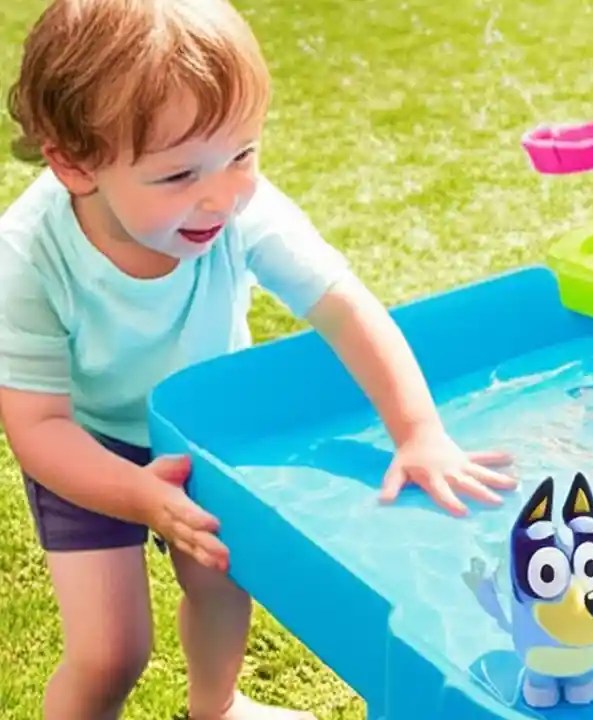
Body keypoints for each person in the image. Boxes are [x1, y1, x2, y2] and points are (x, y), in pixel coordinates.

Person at [0, 1, 520, 718]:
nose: (221, 196)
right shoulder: (26, 258)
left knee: (221, 582)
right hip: (88, 447)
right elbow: (38, 426)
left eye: (242, 155)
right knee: (111, 652)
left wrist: (419, 432)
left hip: (199, 431)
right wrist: (138, 495)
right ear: (74, 163)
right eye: (178, 176)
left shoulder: (246, 211)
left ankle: (215, 707)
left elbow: (346, 309)